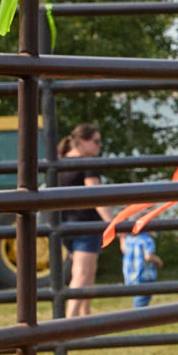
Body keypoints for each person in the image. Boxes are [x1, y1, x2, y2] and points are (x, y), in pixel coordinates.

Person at [54, 123, 104, 318]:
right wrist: (113, 223)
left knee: (88, 273)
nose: (99, 146)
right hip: (87, 225)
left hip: (65, 225)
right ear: (82, 141)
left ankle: (86, 317)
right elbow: (97, 197)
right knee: (82, 276)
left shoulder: (58, 163)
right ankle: (69, 324)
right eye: (96, 141)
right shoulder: (87, 164)